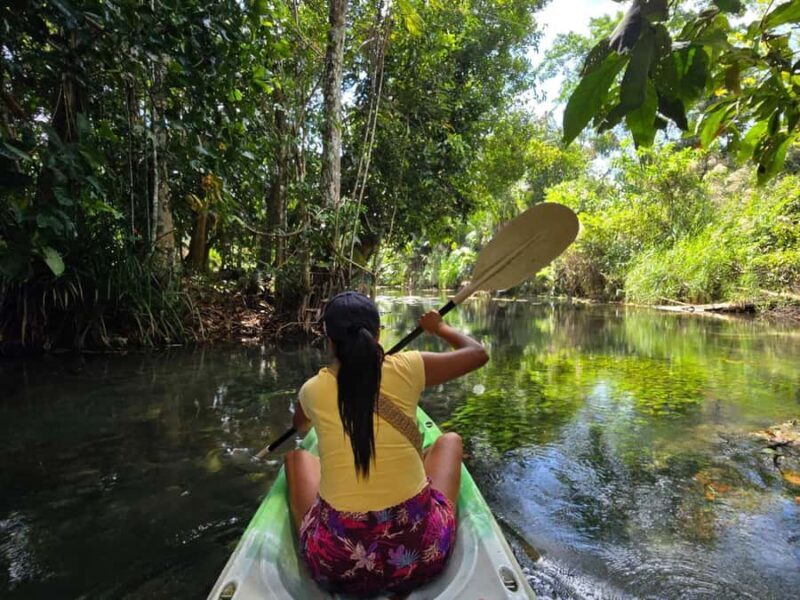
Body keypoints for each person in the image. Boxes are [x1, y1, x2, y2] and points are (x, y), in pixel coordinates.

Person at [285, 291, 488, 596]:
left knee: (297, 458)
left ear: (329, 340)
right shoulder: (408, 367)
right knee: (450, 441)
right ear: (378, 334)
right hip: (419, 556)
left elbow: (300, 426)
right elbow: (478, 354)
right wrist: (439, 327)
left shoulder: (312, 390)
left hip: (337, 566)